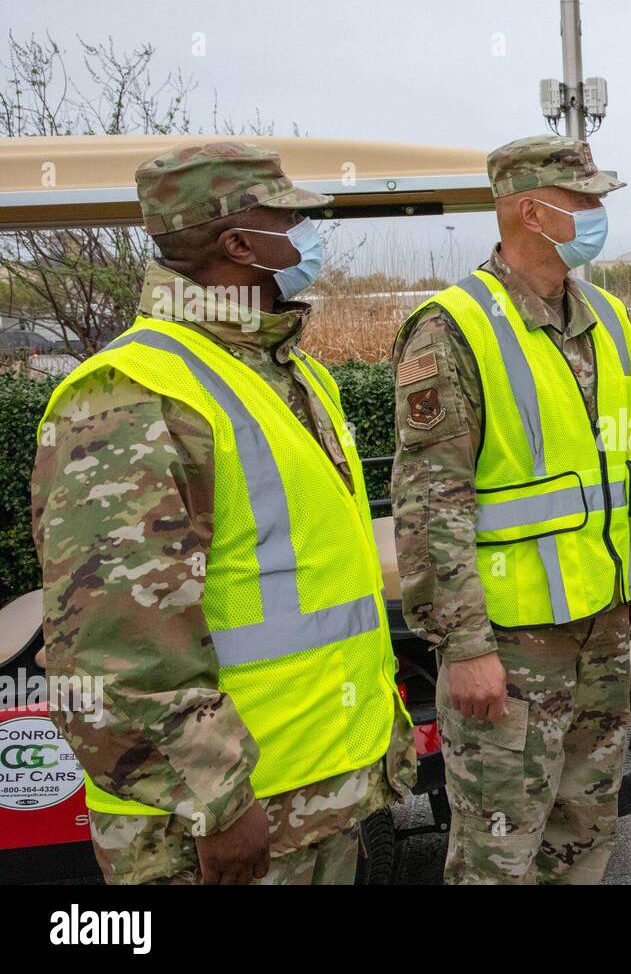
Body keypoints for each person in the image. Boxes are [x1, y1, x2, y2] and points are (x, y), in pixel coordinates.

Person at [32, 141, 414, 885]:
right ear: (240, 243)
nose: (310, 235)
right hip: (223, 828)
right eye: (292, 219)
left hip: (313, 795)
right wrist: (218, 799)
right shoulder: (131, 393)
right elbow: (116, 650)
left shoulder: (287, 371)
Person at [390, 134, 631, 884]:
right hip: (510, 646)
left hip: (602, 625)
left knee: (584, 827)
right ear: (530, 211)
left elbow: (628, 460)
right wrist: (463, 645)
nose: (598, 214)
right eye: (584, 201)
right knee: (499, 851)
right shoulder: (453, 327)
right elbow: (429, 502)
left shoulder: (606, 317)